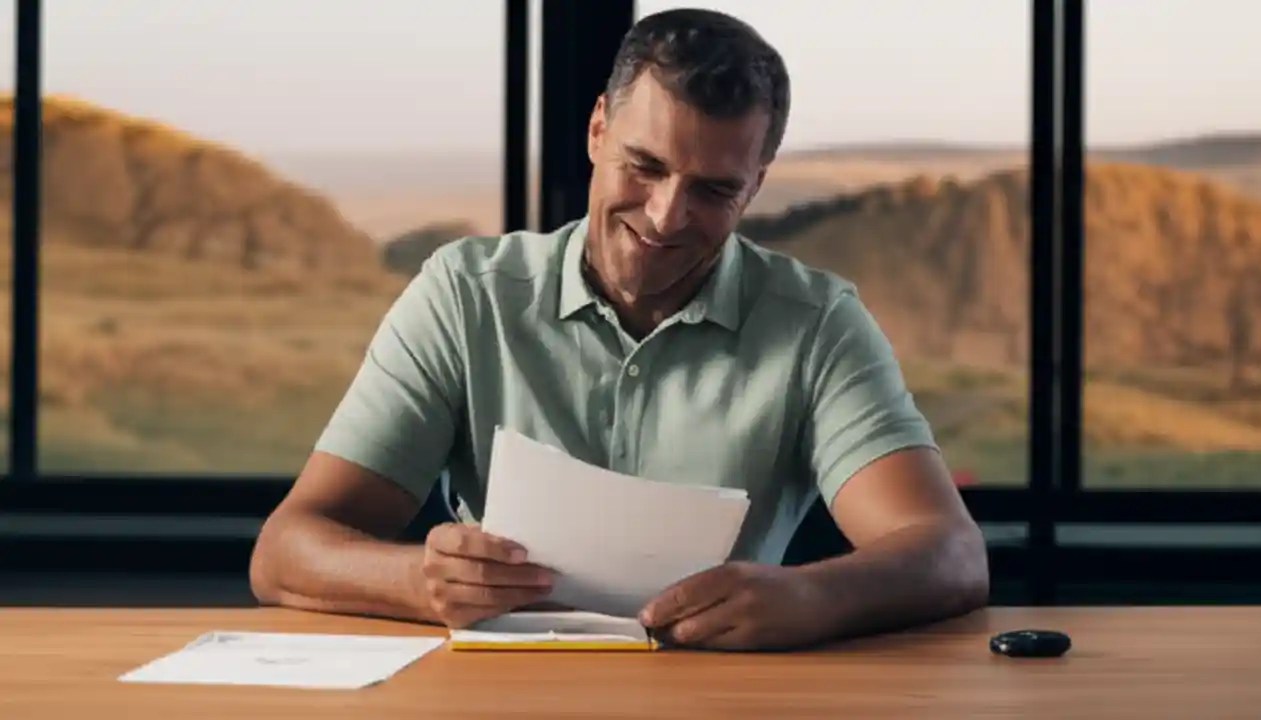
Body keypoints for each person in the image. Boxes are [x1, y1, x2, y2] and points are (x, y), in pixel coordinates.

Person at [249, 7, 988, 651]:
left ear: (756, 184)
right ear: (598, 129)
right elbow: (285, 551)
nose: (667, 216)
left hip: (721, 697)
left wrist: (812, 598)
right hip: (488, 693)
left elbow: (951, 555)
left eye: (714, 189)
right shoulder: (463, 296)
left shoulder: (818, 323)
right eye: (644, 166)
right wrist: (422, 580)